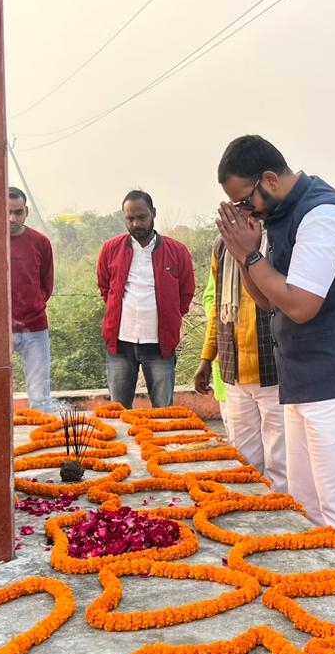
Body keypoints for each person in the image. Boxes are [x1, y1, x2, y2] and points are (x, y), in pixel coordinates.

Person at [214, 135, 335, 563]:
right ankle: (322, 596)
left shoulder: (323, 214)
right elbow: (268, 300)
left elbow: (299, 305)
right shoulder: (281, 213)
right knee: (305, 505)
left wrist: (251, 255)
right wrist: (245, 256)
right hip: (304, 380)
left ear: (270, 179)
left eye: (245, 201)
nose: (246, 212)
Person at [194, 236, 287, 493]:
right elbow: (217, 312)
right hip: (234, 373)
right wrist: (206, 358)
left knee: (280, 464)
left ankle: (286, 526)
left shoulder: (277, 241)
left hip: (275, 372)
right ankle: (252, 522)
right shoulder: (221, 246)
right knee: (243, 461)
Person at [97, 190, 195, 408]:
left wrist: (169, 316)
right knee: (119, 412)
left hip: (159, 346)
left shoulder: (177, 251)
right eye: (130, 219)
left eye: (141, 217)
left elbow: (185, 294)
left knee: (163, 413)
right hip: (121, 344)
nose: (135, 224)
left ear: (153, 213)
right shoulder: (111, 249)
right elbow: (106, 289)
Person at [8, 186, 55, 413]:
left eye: (18, 212)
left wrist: (33, 305)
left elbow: (47, 284)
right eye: (7, 212)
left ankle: (44, 443)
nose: (12, 218)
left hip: (35, 328)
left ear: (26, 211)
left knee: (40, 397)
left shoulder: (41, 242)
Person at [200, 269, 229, 435]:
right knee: (237, 438)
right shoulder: (223, 250)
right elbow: (210, 298)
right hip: (227, 360)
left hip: (267, 369)